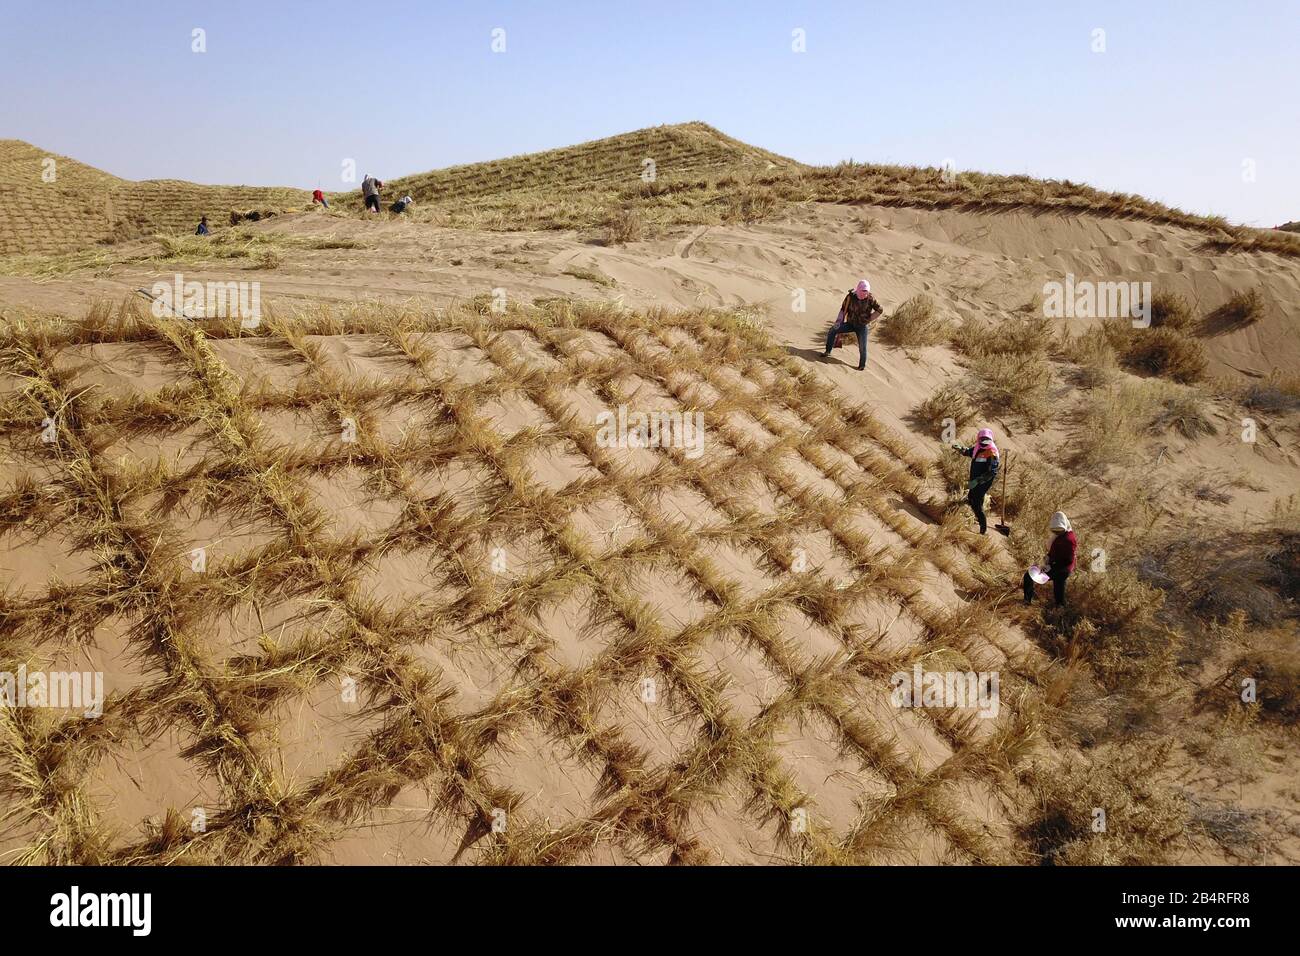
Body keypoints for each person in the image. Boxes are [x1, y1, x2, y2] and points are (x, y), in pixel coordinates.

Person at [821, 279, 883, 370]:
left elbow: (880, 310)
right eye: (862, 291)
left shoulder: (870, 298)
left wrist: (869, 319)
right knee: (832, 330)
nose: (864, 294)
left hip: (862, 326)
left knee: (863, 347)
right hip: (850, 324)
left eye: (866, 291)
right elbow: (843, 309)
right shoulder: (850, 297)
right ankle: (828, 351)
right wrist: (838, 322)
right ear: (858, 289)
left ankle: (861, 366)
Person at [951, 427, 999, 534]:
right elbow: (969, 451)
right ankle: (969, 514)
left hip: (983, 482)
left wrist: (978, 481)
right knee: (971, 497)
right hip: (974, 479)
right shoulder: (978, 448)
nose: (984, 442)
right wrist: (960, 449)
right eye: (982, 440)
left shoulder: (991, 453)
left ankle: (983, 529)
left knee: (977, 502)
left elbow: (992, 472)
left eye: (986, 440)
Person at [1023, 512, 1077, 606]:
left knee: (1030, 576)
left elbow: (1068, 560)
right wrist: (1048, 557)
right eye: (1055, 531)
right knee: (1058, 590)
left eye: (1059, 531)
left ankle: (1028, 601)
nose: (1056, 533)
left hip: (1062, 569)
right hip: (1056, 565)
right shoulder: (1060, 536)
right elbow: (1055, 551)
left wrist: (1051, 566)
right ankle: (1059, 608)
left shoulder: (1069, 540)